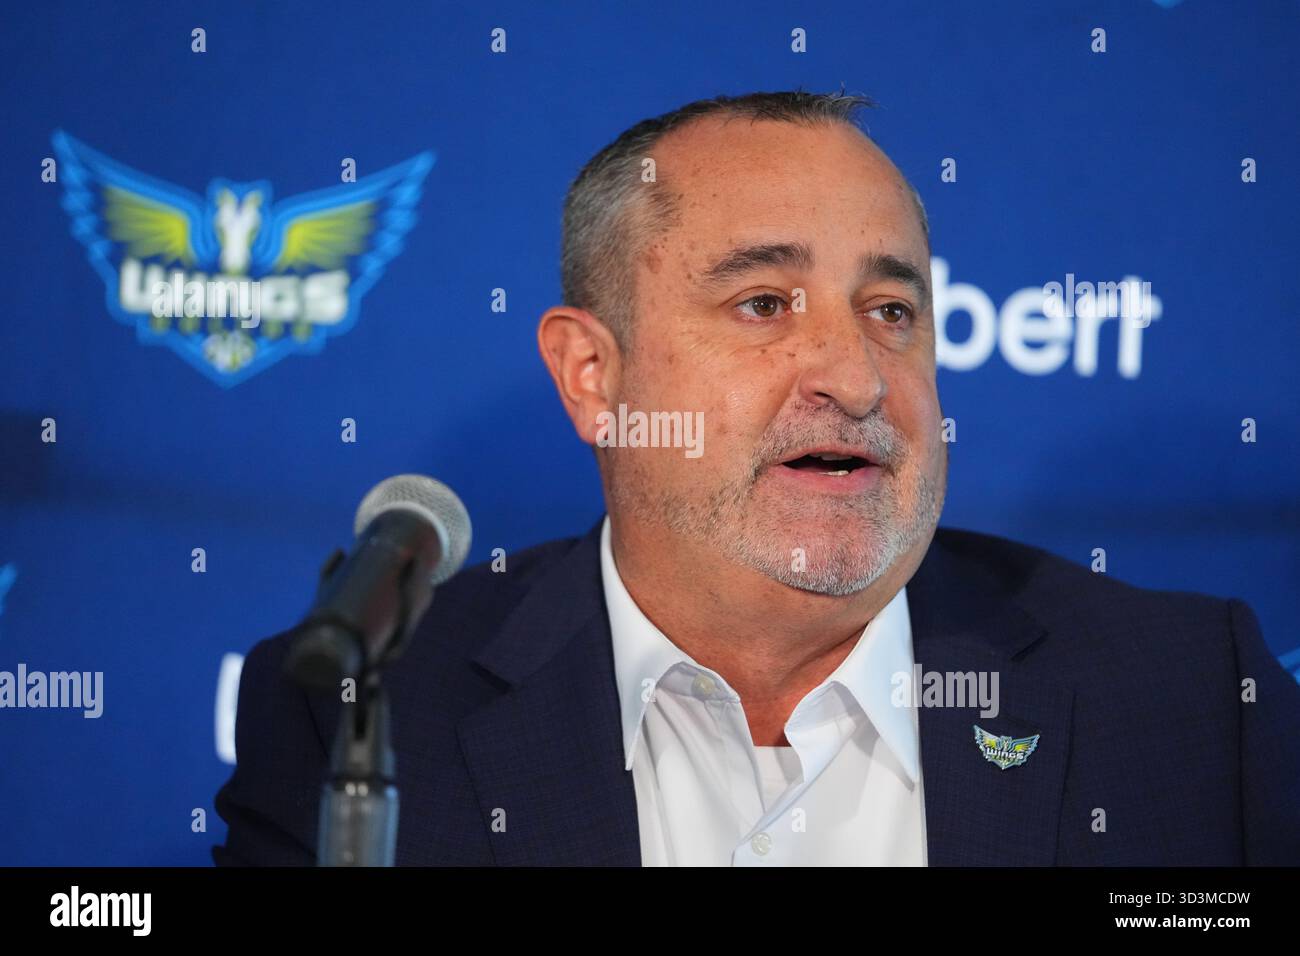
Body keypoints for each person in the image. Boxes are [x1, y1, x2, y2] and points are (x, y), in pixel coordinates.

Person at [214, 90, 1300, 866]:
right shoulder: (365, 707)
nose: (854, 376)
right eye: (764, 303)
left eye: (891, 312)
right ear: (593, 374)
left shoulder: (1192, 698)